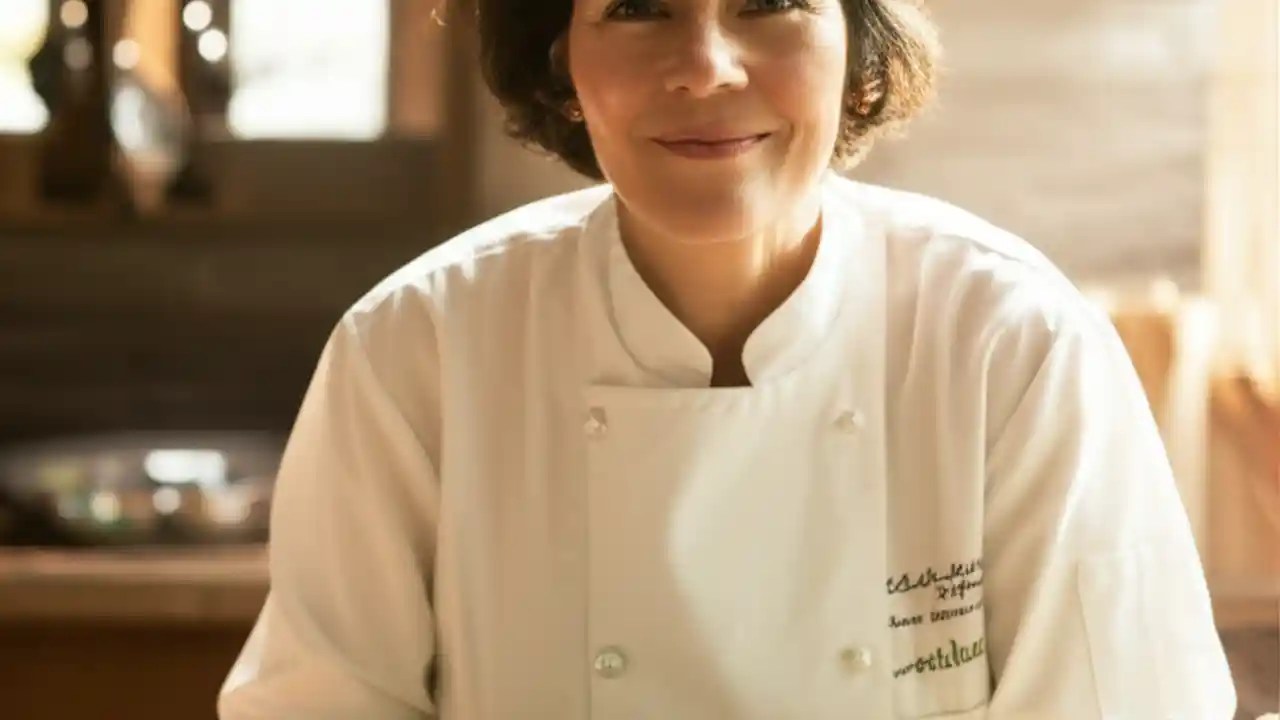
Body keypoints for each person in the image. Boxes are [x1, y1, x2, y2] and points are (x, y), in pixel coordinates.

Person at [218, 0, 1237, 717]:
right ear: (557, 65)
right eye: (636, 7)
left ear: (860, 53)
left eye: (768, 1)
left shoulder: (1010, 343)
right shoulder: (416, 351)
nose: (704, 63)